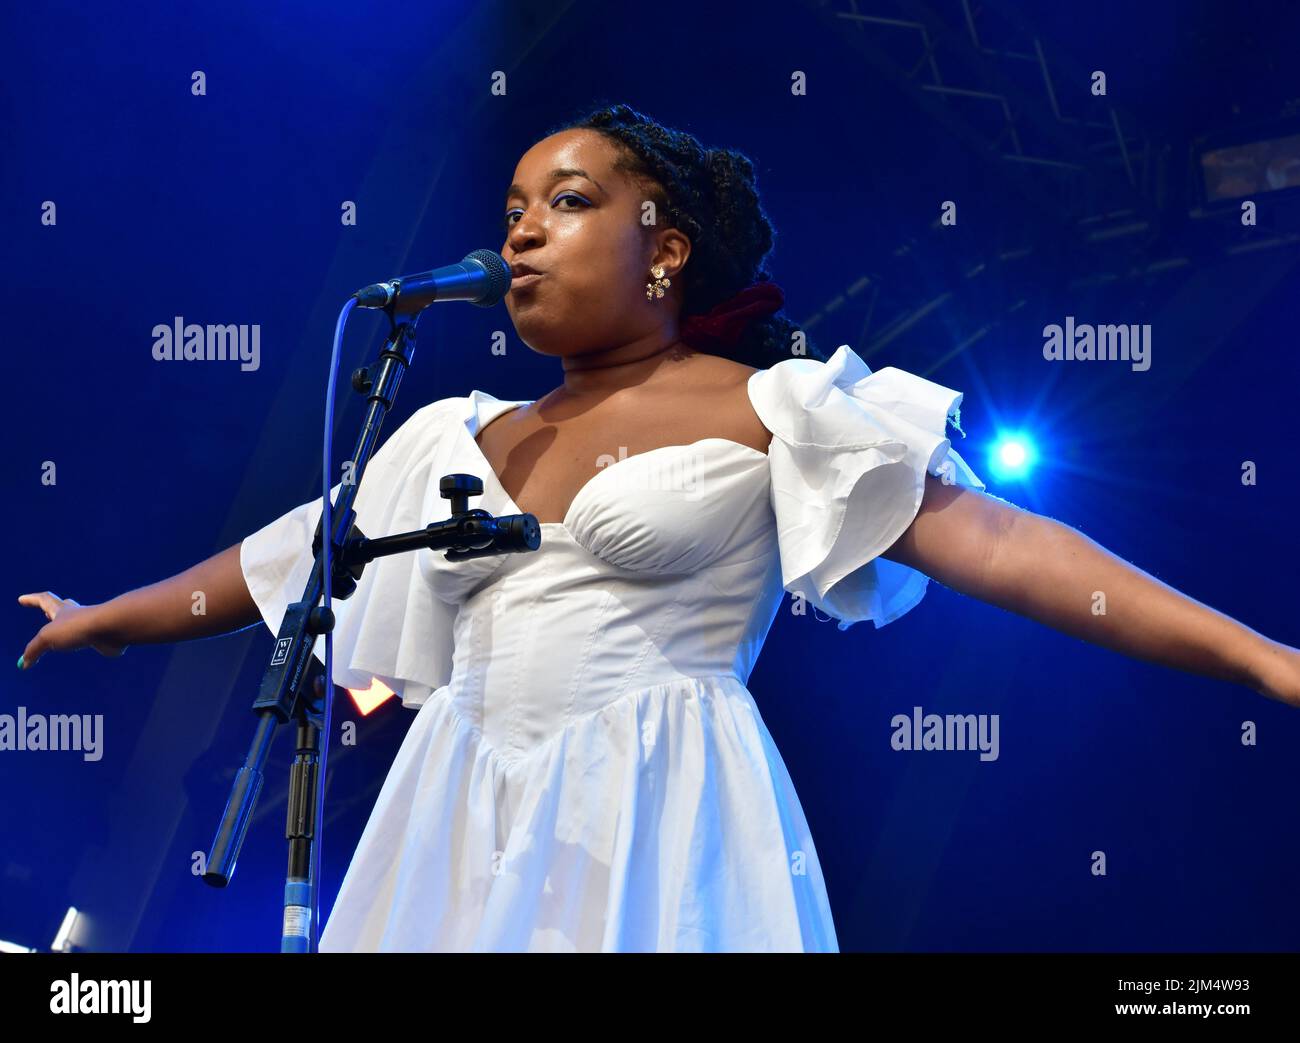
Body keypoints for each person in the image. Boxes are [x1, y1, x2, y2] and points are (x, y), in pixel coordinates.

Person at [17, 104, 1300, 952]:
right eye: (513, 205)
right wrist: (104, 625)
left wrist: (1261, 660)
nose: (519, 227)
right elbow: (273, 565)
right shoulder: (453, 433)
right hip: (457, 795)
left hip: (656, 798)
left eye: (565, 201)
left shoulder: (777, 407)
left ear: (664, 246)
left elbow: (1011, 547)